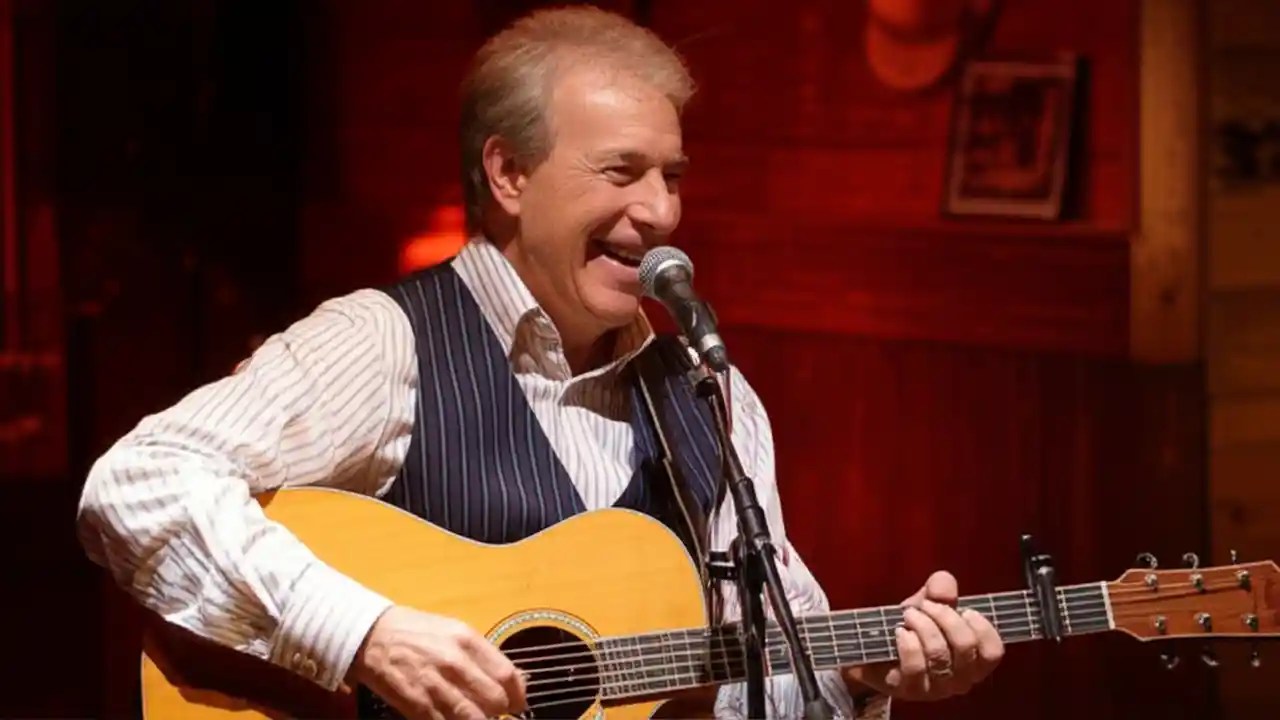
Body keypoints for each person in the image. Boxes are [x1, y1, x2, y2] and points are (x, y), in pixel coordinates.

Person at [75, 6, 1004, 719]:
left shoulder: (710, 397)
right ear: (509, 176)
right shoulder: (383, 342)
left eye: (672, 176)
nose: (662, 213)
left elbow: (747, 688)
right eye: (621, 172)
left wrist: (856, 673)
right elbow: (140, 484)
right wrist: (363, 635)